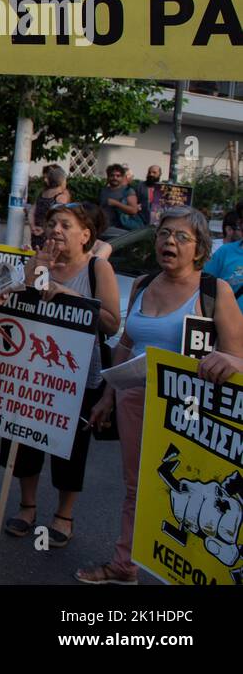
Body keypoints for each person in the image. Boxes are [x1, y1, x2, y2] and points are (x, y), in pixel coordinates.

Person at [76, 206, 243, 584]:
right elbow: (128, 343)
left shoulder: (215, 291)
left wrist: (227, 361)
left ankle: (189, 571)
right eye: (164, 234)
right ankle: (124, 566)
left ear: (200, 248)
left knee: (188, 493)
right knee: (137, 486)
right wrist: (108, 394)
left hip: (189, 411)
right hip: (135, 400)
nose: (170, 242)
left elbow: (237, 356)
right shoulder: (143, 283)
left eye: (182, 237)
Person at [0, 202, 120, 547]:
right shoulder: (36, 261)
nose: (56, 230)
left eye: (65, 225)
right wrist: (34, 274)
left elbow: (111, 323)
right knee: (25, 436)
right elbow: (16, 304)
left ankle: (64, 515)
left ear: (86, 235)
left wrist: (71, 296)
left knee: (71, 445)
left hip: (77, 374)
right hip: (32, 369)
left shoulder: (97, 268)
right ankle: (27, 506)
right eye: (52, 223)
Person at [29, 164, 71, 250]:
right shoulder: (61, 196)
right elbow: (60, 217)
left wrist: (33, 227)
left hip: (36, 235)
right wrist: (44, 229)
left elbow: (31, 212)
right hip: (51, 235)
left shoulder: (42, 194)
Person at [98, 163, 140, 236]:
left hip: (121, 230)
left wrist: (116, 204)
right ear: (108, 177)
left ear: (123, 177)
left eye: (118, 176)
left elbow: (134, 210)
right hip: (104, 227)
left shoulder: (128, 191)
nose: (115, 178)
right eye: (112, 175)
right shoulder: (104, 190)